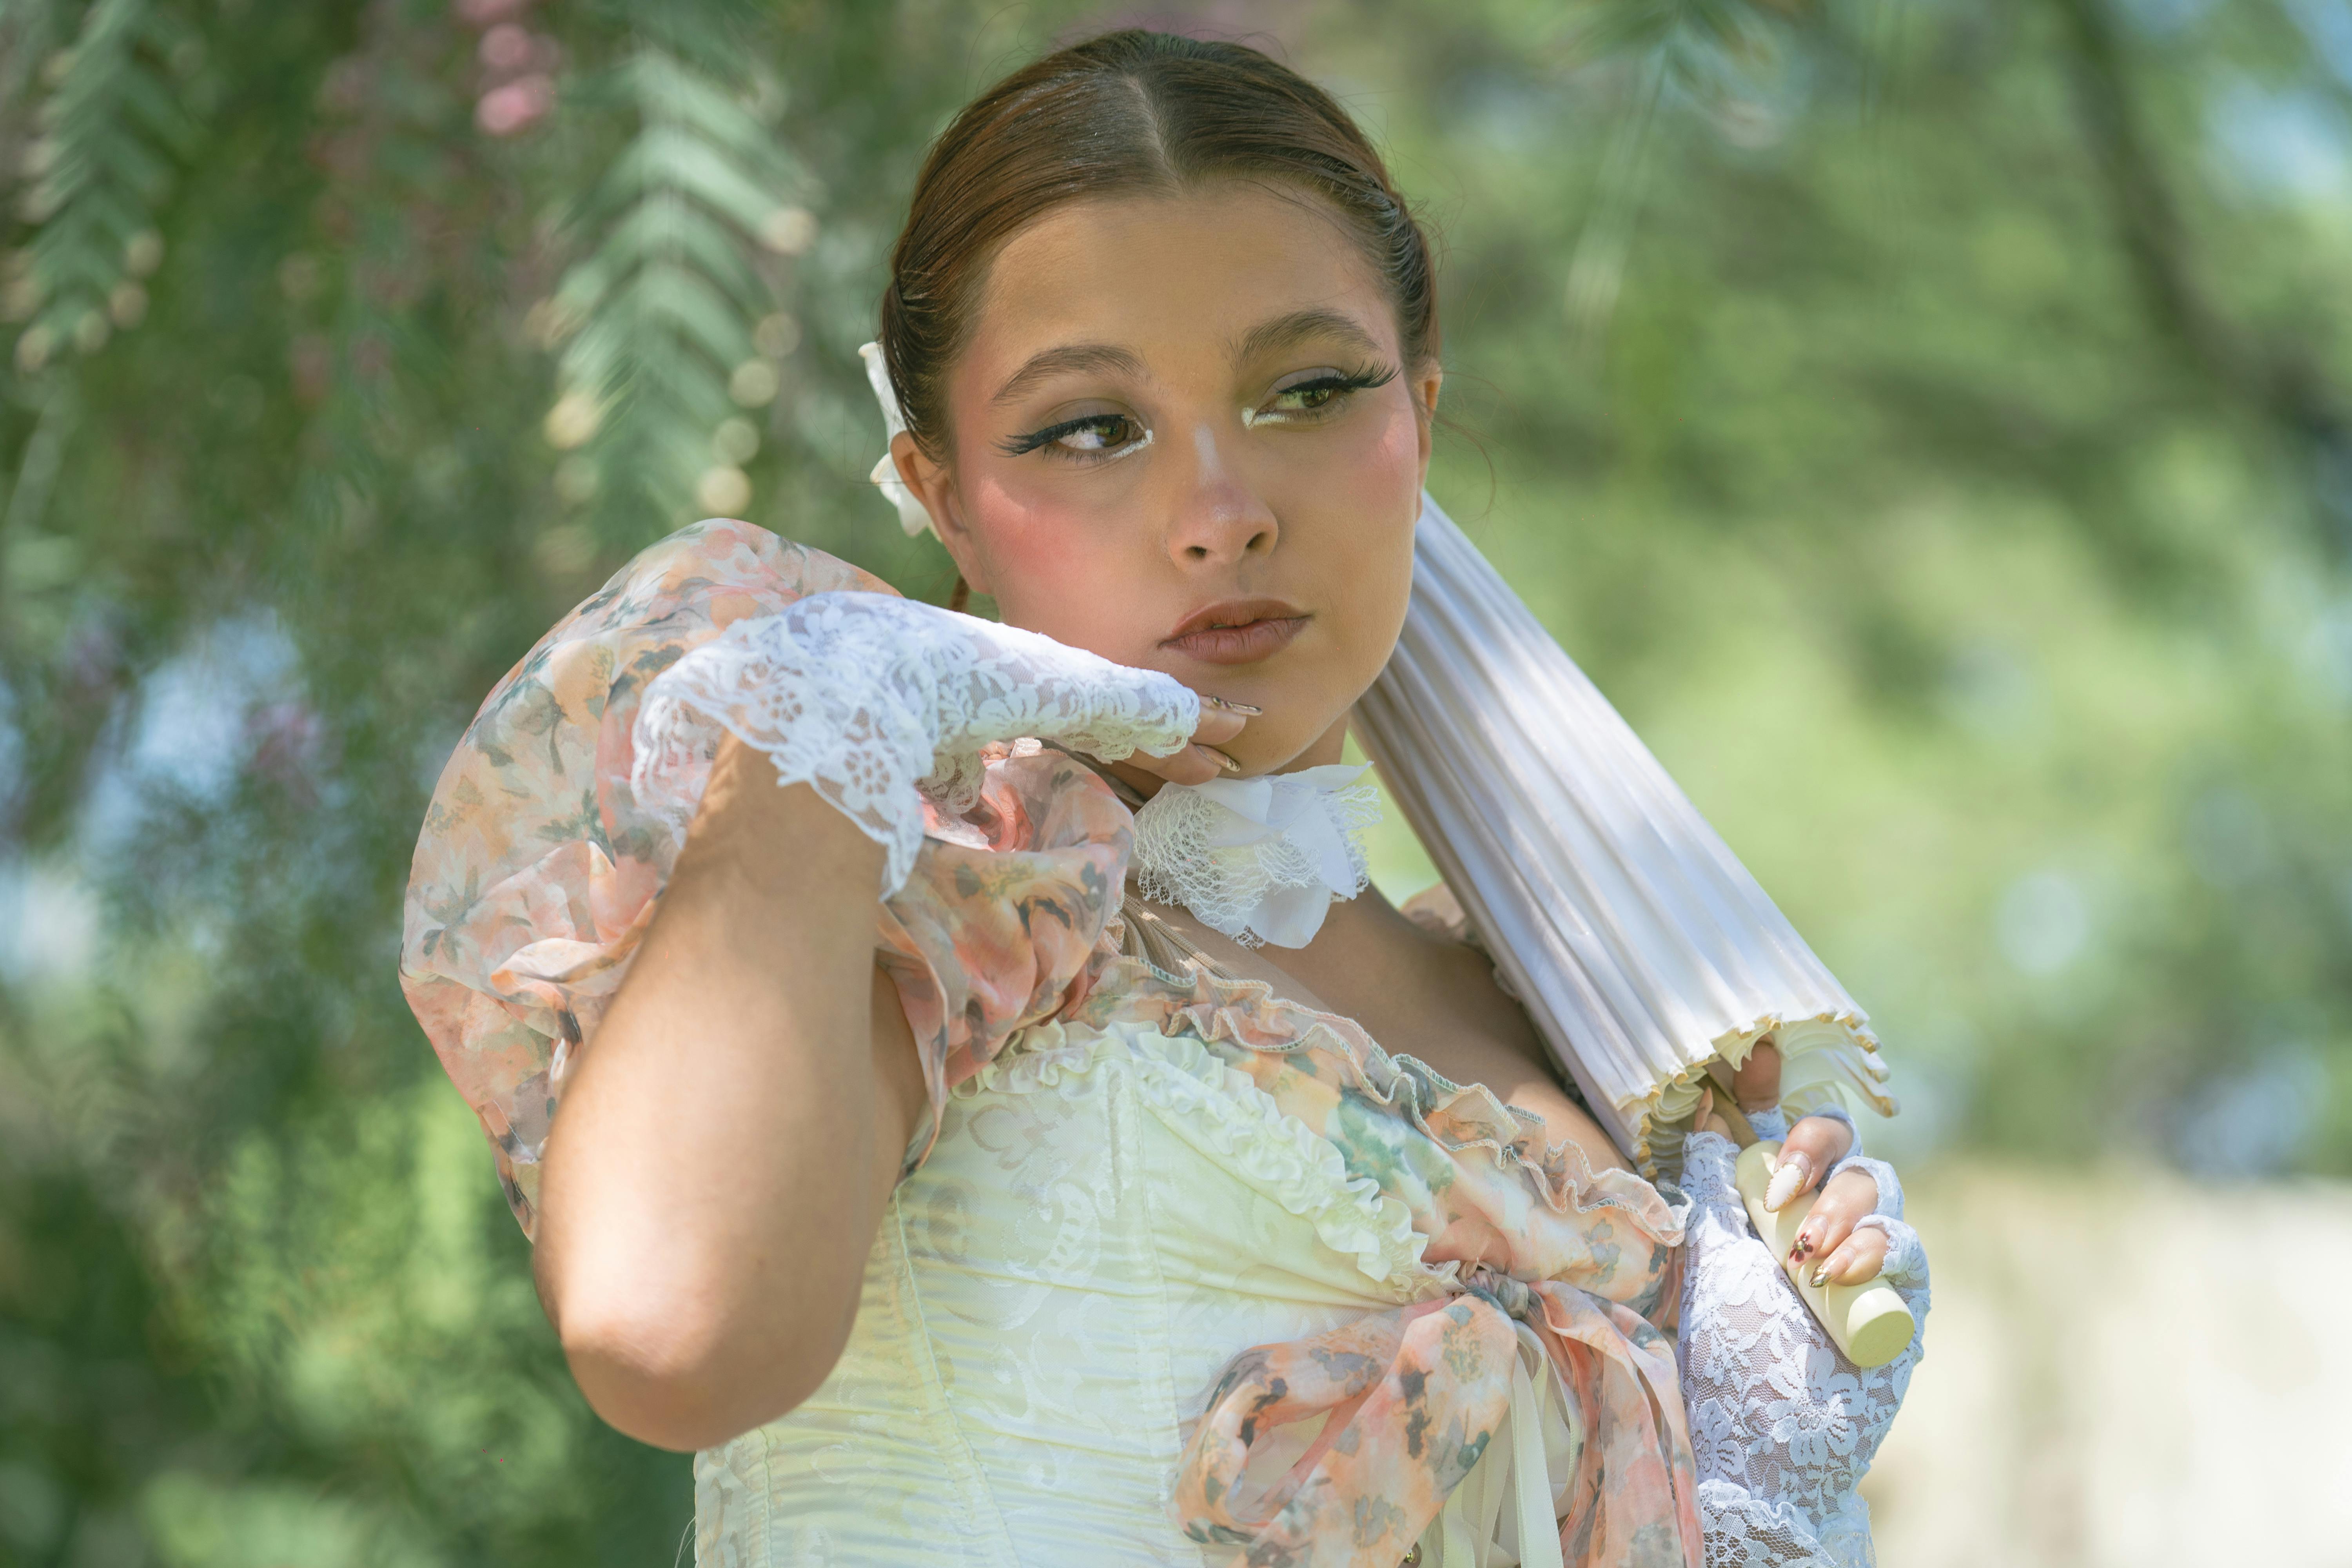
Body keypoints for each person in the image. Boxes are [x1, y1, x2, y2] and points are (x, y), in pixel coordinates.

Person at [401, 30, 1927, 1568]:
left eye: (1311, 390)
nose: (1221, 514)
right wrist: (817, 724)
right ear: (939, 500)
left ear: (1422, 415)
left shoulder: (1569, 1027)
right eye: (1088, 429)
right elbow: (666, 1330)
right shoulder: (940, 898)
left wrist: (1760, 1494)